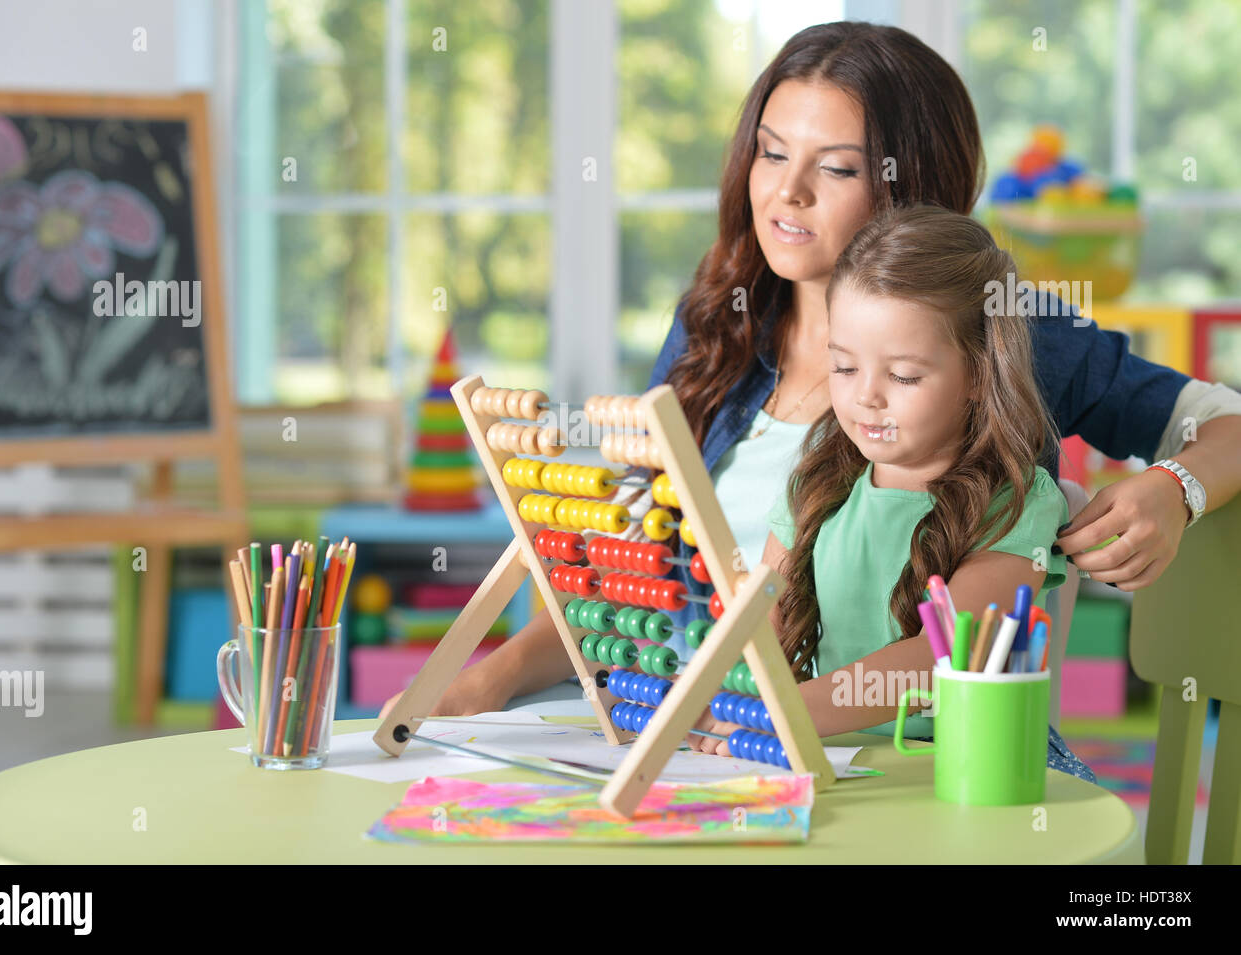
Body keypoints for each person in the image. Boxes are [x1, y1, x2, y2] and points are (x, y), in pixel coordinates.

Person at [383, 20, 1241, 727]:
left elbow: (1226, 422)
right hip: (705, 737)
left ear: (913, 186)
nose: (785, 193)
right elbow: (632, 581)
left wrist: (1177, 488)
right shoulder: (712, 330)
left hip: (907, 762)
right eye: (770, 153)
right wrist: (484, 688)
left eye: (836, 168)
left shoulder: (1007, 328)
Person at [686, 202, 1090, 776]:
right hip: (834, 761)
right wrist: (710, 696)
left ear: (979, 373)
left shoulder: (1016, 503)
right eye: (845, 368)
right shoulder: (817, 482)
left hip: (969, 768)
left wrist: (785, 711)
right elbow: (763, 622)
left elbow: (943, 658)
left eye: (902, 375)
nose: (866, 397)